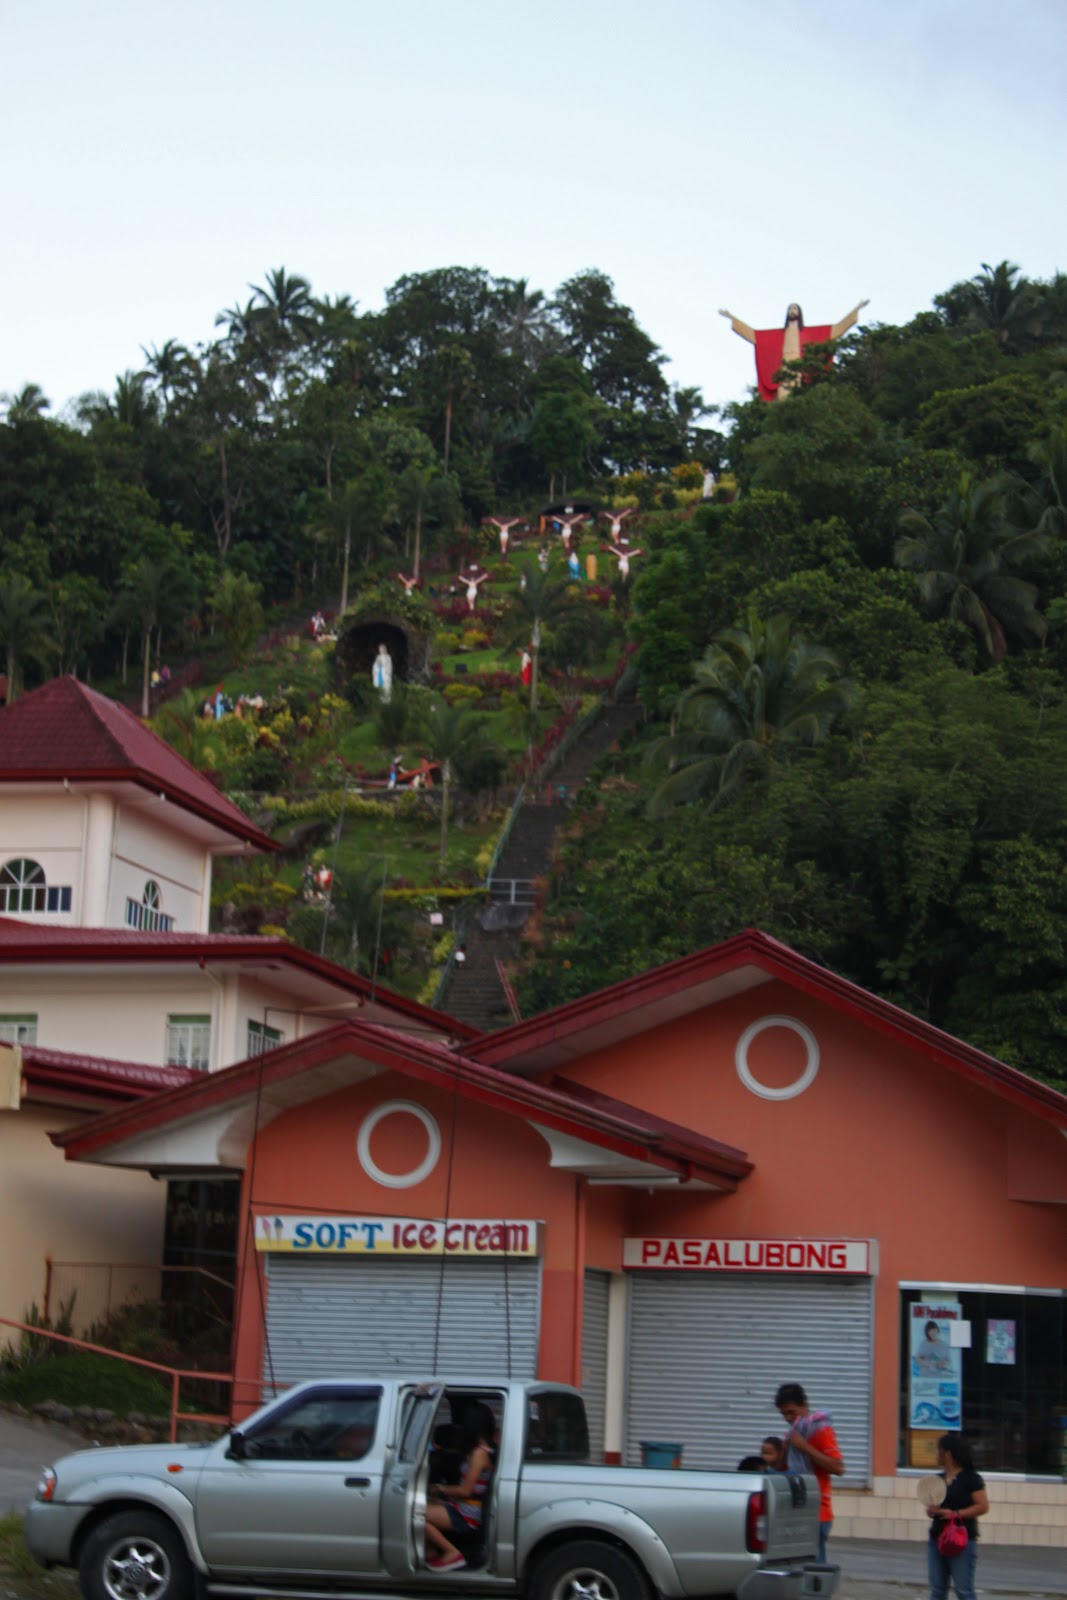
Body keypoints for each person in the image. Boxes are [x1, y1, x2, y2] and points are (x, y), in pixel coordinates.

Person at [719, 299, 869, 402]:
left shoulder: (811, 333)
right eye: (790, 308)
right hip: (784, 367)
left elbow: (836, 329)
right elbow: (753, 335)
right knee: (783, 397)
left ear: (800, 313)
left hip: (801, 367)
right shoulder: (776, 335)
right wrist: (732, 317)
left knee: (802, 394)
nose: (792, 311)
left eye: (795, 308)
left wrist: (855, 310)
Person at [775, 1382, 843, 1565]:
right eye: (784, 1414)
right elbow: (784, 1468)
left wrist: (804, 1446)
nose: (788, 1418)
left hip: (817, 1513)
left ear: (804, 1405)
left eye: (792, 1412)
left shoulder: (820, 1430)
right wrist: (784, 1450)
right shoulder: (794, 1432)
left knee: (813, 1573)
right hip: (798, 1510)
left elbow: (838, 1467)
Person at [425, 1402, 496, 1571]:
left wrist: (440, 1488)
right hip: (463, 1506)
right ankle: (431, 1553)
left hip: (468, 1513)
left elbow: (466, 1490)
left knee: (415, 1513)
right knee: (425, 1502)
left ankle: (452, 1553)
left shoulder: (480, 1453)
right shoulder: (483, 1450)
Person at [925, 1432, 988, 1600]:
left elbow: (982, 1506)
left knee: (963, 1590)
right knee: (937, 1590)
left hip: (961, 1539)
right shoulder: (937, 1479)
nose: (936, 1455)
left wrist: (955, 1514)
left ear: (948, 1454)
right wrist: (932, 1511)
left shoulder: (971, 1478)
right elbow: (933, 1504)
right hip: (937, 1537)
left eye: (939, 1451)